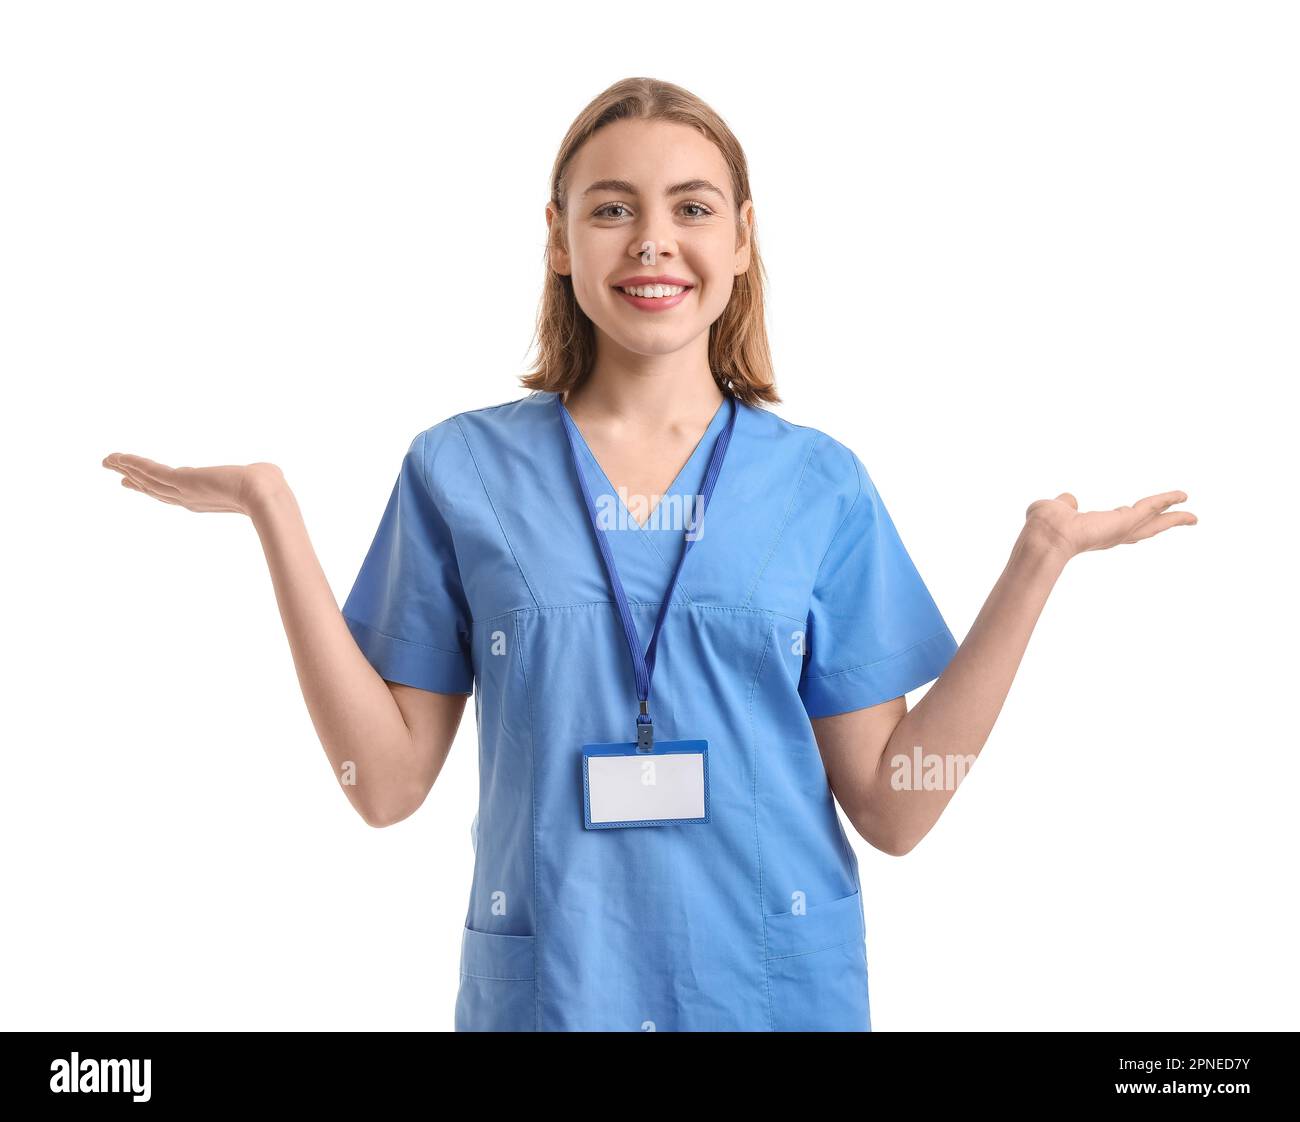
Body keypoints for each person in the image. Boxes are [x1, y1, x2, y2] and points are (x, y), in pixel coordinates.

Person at [101, 76, 1197, 1032]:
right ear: (558, 236)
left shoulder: (818, 484)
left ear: (743, 238)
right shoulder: (459, 470)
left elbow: (897, 803)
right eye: (611, 209)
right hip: (553, 995)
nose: (652, 242)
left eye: (691, 208)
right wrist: (273, 513)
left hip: (771, 995)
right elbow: (382, 787)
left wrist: (1038, 560)